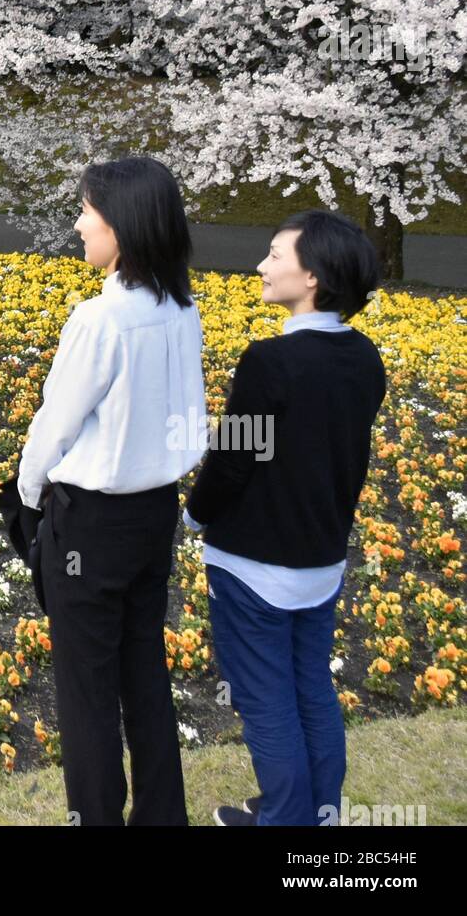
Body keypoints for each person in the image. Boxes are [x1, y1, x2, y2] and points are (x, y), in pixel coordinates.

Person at [17, 156, 207, 826]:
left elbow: (54, 426)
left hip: (91, 523)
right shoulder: (180, 310)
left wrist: (28, 494)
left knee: (87, 689)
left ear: (119, 226)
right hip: (154, 514)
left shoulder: (99, 320)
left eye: (86, 213)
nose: (77, 225)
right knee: (143, 672)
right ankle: (161, 816)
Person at [183, 210, 386, 827]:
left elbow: (235, 458)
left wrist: (197, 514)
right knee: (311, 690)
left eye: (275, 255)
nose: (261, 266)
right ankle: (312, 815)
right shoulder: (364, 357)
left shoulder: (270, 361)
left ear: (314, 277)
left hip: (255, 562)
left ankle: (286, 826)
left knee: (268, 701)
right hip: (322, 560)